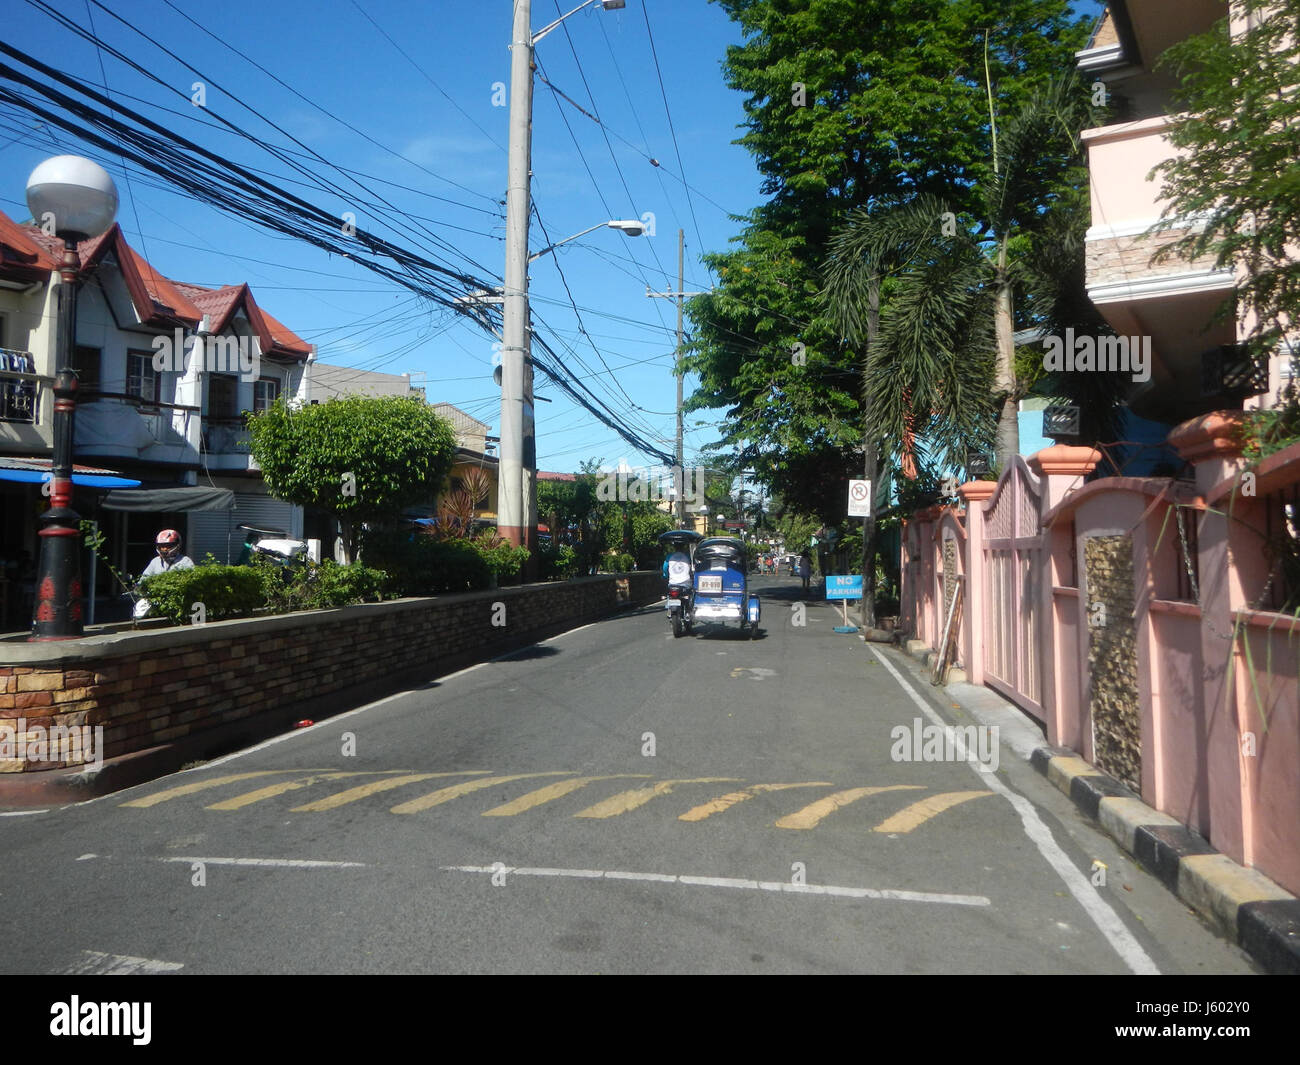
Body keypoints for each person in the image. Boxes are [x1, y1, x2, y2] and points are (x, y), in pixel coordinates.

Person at [133, 529, 194, 619]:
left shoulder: (186, 562)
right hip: (154, 599)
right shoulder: (155, 561)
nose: (164, 549)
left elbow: (190, 582)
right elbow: (144, 578)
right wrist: (138, 587)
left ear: (176, 545)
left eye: (168, 546)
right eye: (162, 546)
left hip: (176, 601)